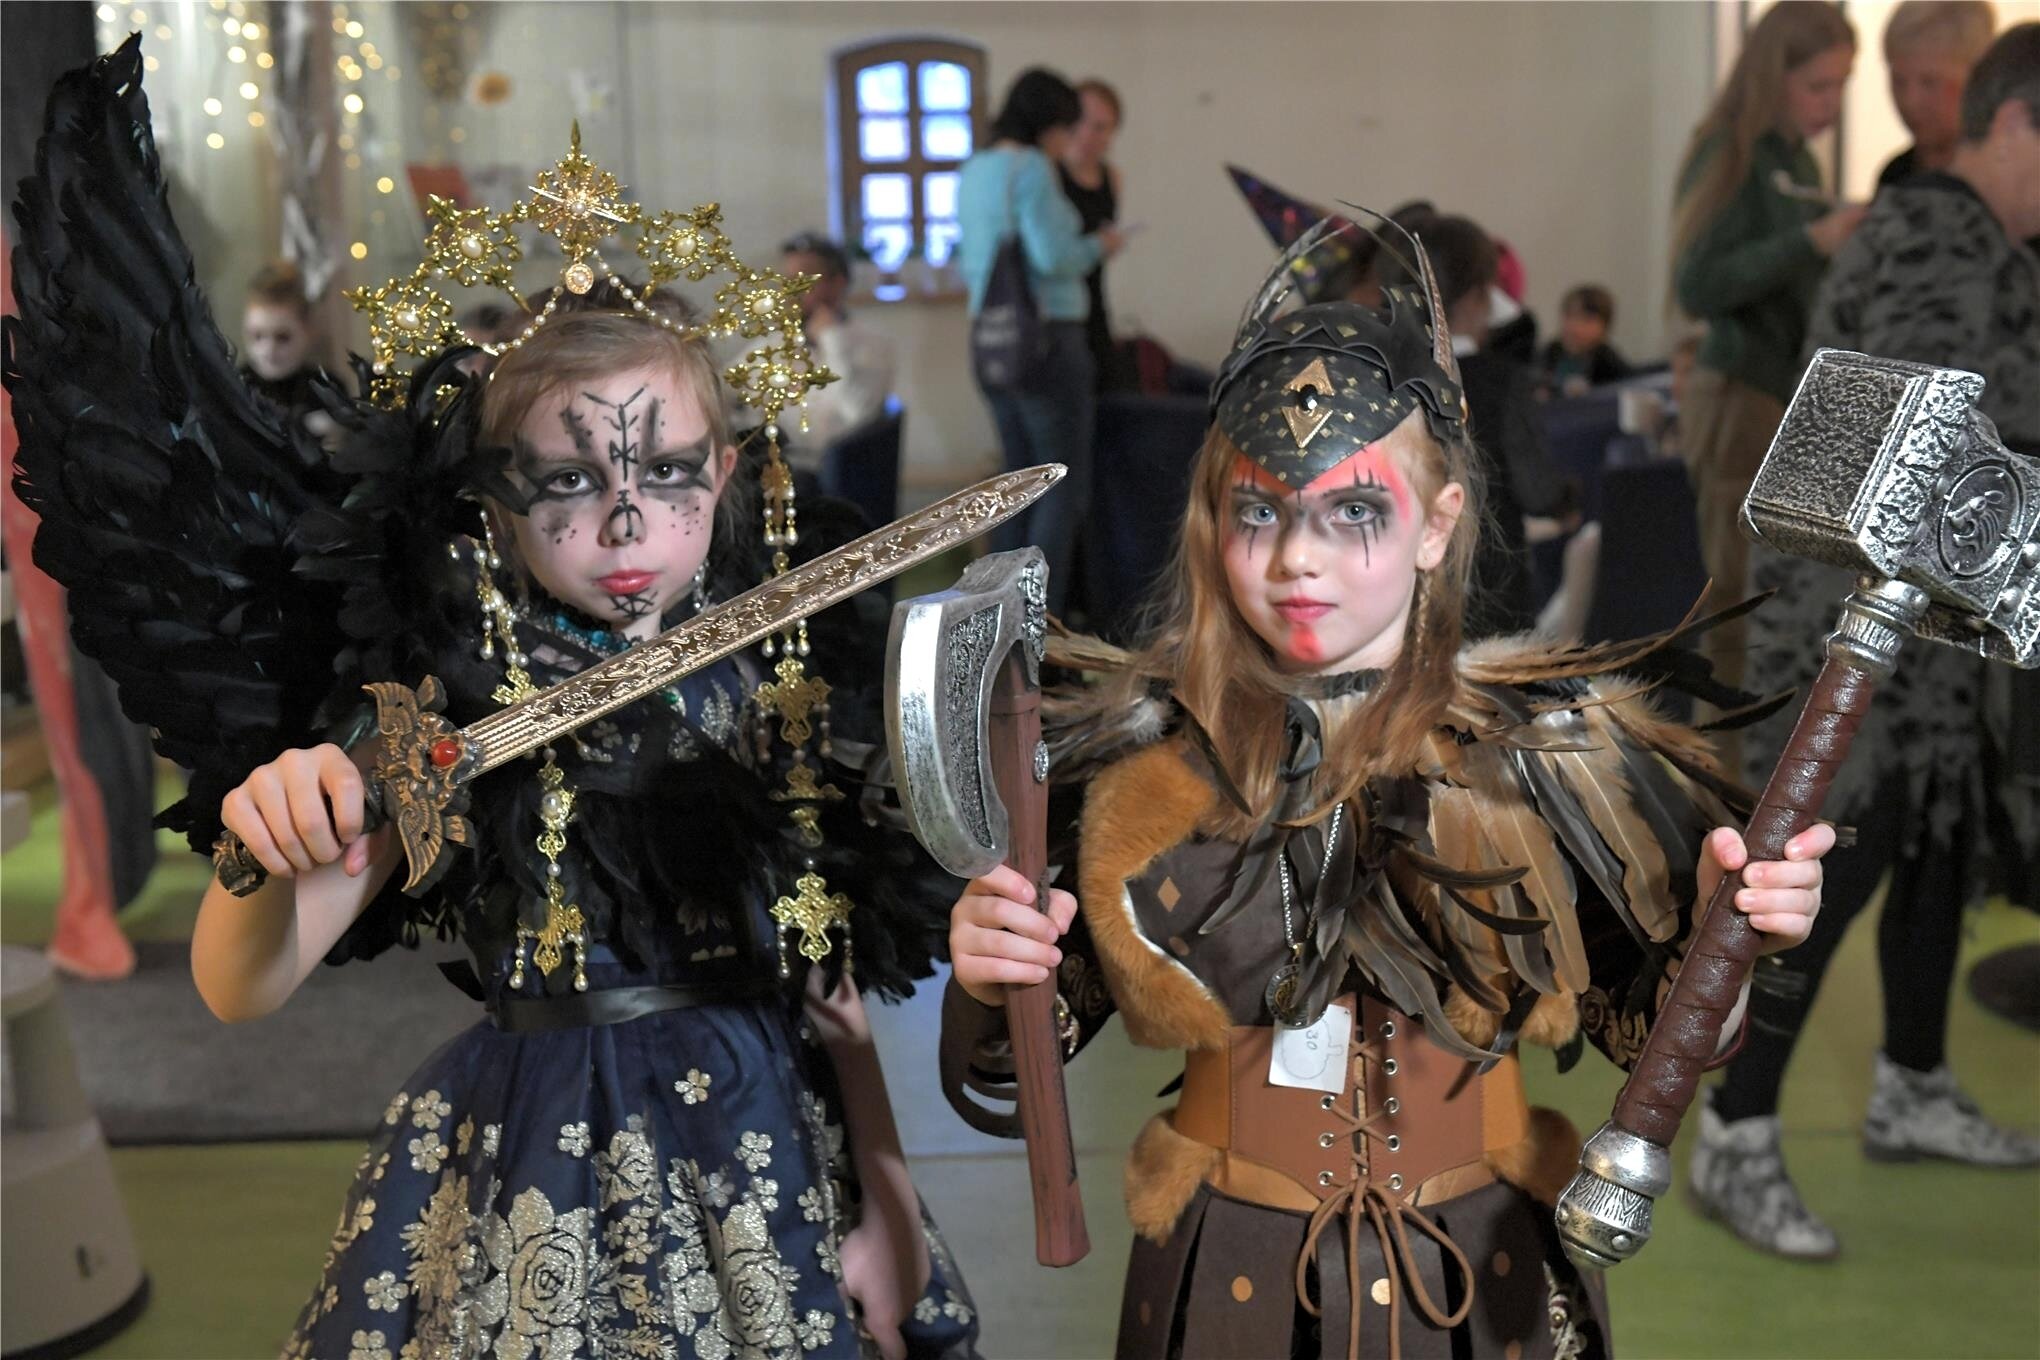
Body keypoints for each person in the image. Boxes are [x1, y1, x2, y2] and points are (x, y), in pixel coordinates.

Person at [7, 42, 978, 1359]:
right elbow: (247, 987)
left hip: (774, 1158)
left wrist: (891, 1201)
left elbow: (835, 994)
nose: (628, 522)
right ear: (488, 502)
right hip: (536, 1161)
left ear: (728, 471)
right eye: (568, 481)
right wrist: (260, 846)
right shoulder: (438, 713)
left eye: (669, 472)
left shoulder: (777, 683)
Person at [940, 216, 1833, 1360]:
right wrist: (989, 972)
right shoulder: (1146, 772)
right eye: (1259, 511)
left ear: (1436, 525)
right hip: (1232, 1291)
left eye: (1354, 511)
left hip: (1488, 1283)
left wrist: (1725, 937)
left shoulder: (1550, 763)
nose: (1296, 557)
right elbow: (1011, 1057)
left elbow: (1650, 1032)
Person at [1689, 21, 2040, 1262]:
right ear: (2020, 123)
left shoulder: (1961, 234)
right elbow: (1947, 442)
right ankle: (1733, 1131)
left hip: (1925, 619)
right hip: (1869, 623)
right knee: (1833, 863)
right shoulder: (1938, 238)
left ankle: (1914, 1082)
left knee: (1937, 837)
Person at [1671, 0, 1864, 749]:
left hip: (1786, 401)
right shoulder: (1731, 152)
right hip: (1738, 396)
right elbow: (1698, 284)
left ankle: (1758, 772)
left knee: (1777, 603)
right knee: (1734, 606)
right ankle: (1717, 786)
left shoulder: (1797, 162)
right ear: (1771, 77)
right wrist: (1811, 240)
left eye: (1842, 86)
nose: (1832, 105)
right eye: (1819, 86)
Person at [958, 66, 1124, 616]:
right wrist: (1099, 245)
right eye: (1067, 126)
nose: (1068, 139)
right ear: (1049, 124)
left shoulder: (975, 168)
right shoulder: (1030, 167)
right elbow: (1054, 256)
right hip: (1046, 343)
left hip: (991, 342)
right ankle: (1034, 621)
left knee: (1015, 487)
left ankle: (995, 620)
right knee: (1058, 488)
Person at [1404, 215, 1574, 640]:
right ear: (1480, 296)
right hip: (1491, 591)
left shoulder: (1391, 377)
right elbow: (1537, 489)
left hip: (1408, 589)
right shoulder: (1501, 380)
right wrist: (1570, 500)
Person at [782, 231, 897, 458]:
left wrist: (831, 339)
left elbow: (856, 414)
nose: (790, 291)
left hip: (820, 468)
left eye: (802, 280)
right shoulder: (778, 340)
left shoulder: (874, 345)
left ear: (837, 283)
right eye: (787, 280)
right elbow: (728, 389)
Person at [1876, 1, 1999, 188]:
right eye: (1899, 81)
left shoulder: (2009, 184)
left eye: (1929, 83)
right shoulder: (1895, 176)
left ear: (1977, 78)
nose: (1910, 101)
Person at [1057, 78, 1129, 391]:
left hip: (1095, 304)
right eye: (1083, 122)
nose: (1088, 134)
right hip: (1057, 312)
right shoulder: (1048, 173)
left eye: (1100, 127)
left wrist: (1108, 245)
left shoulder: (1112, 177)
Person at [240, 258, 325, 411]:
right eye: (257, 336)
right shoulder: (231, 390)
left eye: (282, 337)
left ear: (308, 331)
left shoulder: (328, 390)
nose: (268, 349)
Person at [1538, 285, 1633, 395]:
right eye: (1569, 315)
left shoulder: (1608, 362)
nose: (1575, 326)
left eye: (1587, 320)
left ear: (1604, 327)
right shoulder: (1551, 351)